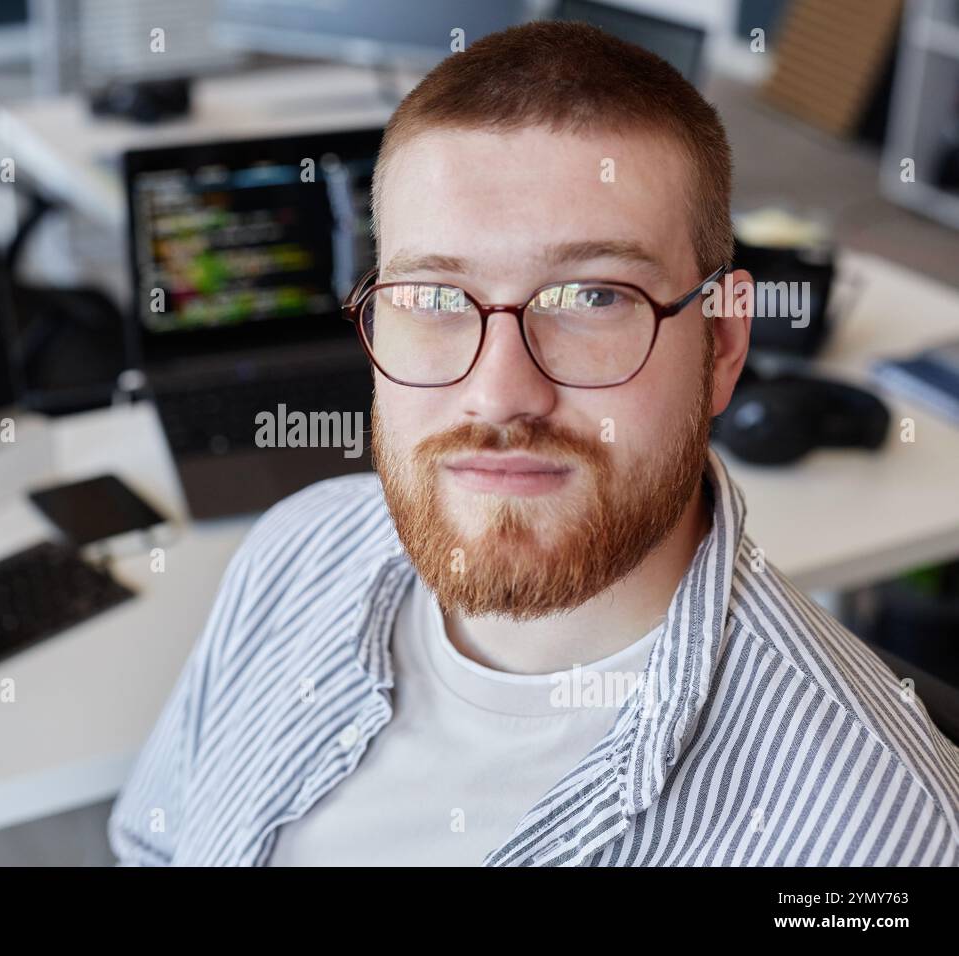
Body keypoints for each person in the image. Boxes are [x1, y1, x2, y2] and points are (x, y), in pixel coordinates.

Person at [109, 21, 959, 866]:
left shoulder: (875, 841)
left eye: (592, 297)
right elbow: (154, 844)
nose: (501, 393)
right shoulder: (297, 550)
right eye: (435, 296)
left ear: (726, 343)